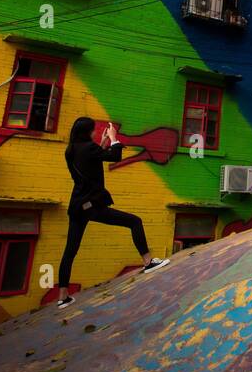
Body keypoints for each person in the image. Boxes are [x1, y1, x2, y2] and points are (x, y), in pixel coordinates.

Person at [57, 117, 169, 309]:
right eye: (93, 131)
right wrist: (113, 138)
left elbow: (91, 160)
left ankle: (63, 296)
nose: (94, 133)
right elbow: (114, 156)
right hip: (92, 205)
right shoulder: (88, 149)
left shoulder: (72, 150)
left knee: (70, 251)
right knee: (135, 221)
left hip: (77, 206)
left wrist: (102, 142)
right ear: (87, 132)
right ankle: (148, 262)